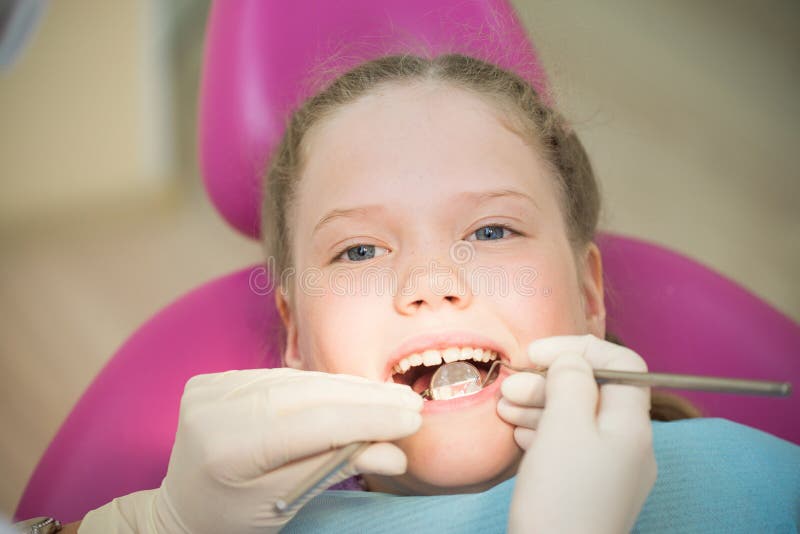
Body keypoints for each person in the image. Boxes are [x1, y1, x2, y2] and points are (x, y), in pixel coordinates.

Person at [65, 53, 797, 533]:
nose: (431, 285)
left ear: (588, 292)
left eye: (490, 232)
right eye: (358, 249)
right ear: (295, 338)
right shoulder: (218, 524)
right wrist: (147, 525)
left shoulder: (757, 485)